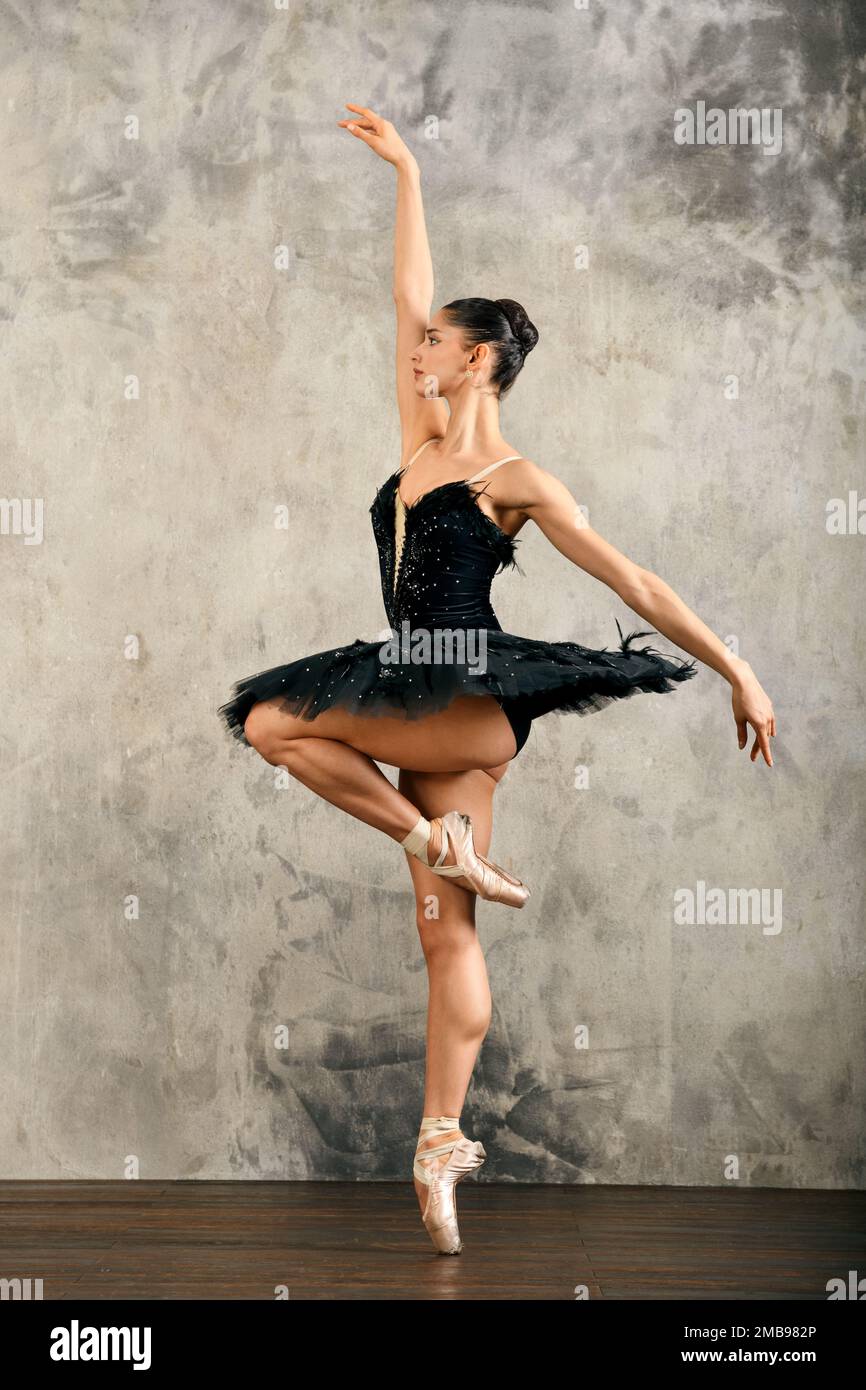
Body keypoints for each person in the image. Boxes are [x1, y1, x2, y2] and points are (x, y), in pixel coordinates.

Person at [217, 104, 776, 1255]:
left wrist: (737, 667)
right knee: (448, 938)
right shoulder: (419, 439)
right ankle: (440, 1144)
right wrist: (408, 174)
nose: (415, 349)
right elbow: (403, 293)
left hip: (458, 691)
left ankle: (434, 842)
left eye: (436, 342)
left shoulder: (516, 477)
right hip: (440, 719)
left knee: (271, 720)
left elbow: (632, 578)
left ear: (476, 359)